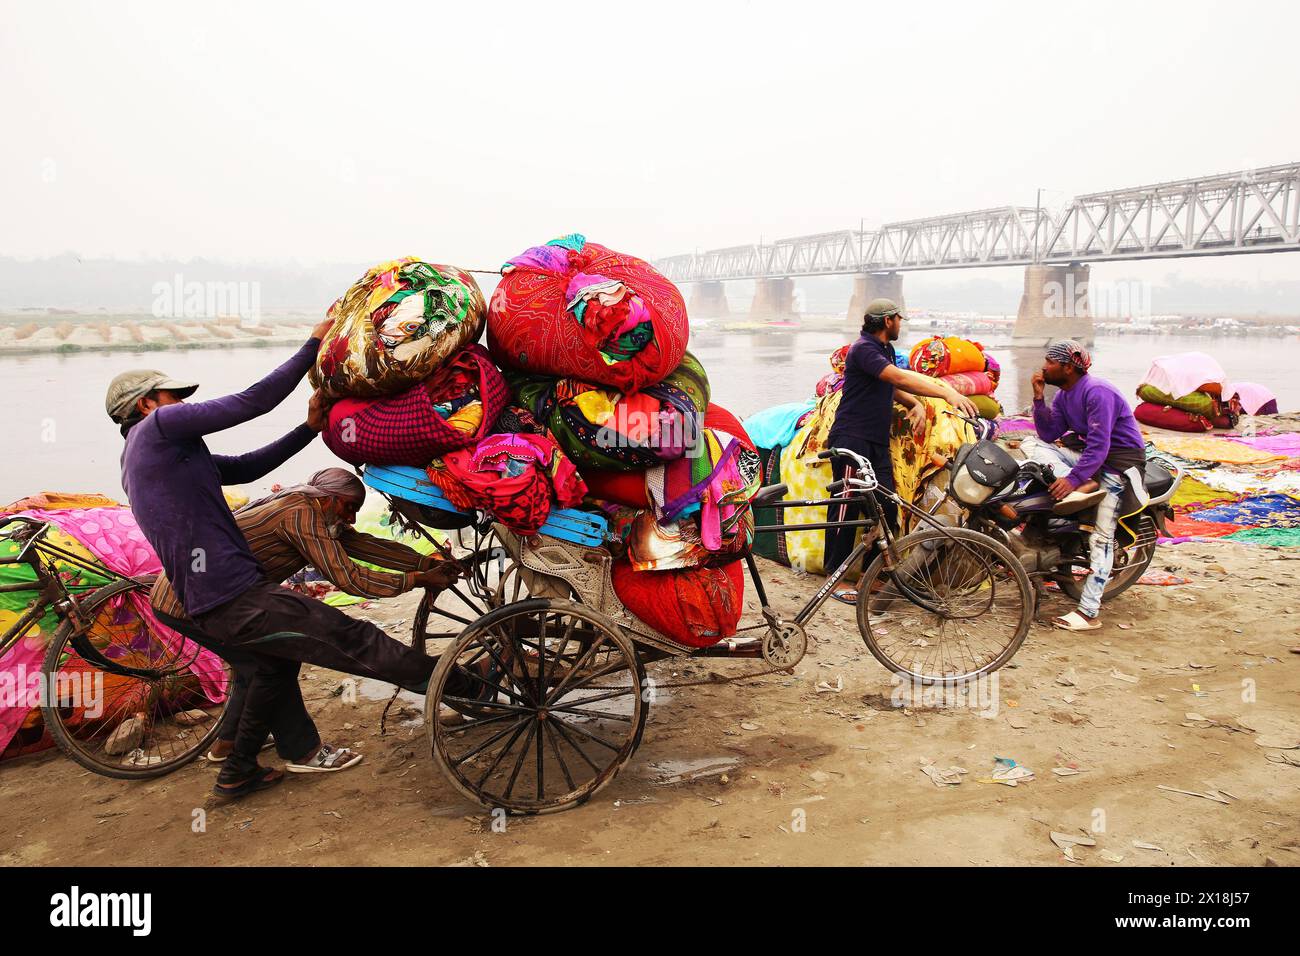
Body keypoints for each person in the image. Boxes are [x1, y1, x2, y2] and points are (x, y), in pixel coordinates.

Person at [105, 320, 424, 798]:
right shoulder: (159, 428)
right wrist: (313, 344)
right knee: (352, 636)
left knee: (271, 667)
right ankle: (461, 683)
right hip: (231, 591)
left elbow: (250, 467)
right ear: (146, 405)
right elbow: (252, 402)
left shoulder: (152, 456)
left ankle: (237, 770)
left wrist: (308, 429)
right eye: (174, 396)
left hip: (206, 597)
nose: (184, 404)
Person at [149, 467, 462, 773]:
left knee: (256, 668)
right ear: (329, 499)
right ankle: (300, 752)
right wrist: (417, 579)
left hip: (189, 597)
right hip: (194, 601)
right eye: (349, 508)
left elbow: (364, 545)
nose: (351, 518)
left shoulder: (312, 507)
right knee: (273, 666)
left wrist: (424, 561)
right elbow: (349, 579)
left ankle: (228, 746)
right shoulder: (300, 513)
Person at [824, 298, 979, 603]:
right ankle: (835, 577)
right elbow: (897, 377)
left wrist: (914, 403)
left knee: (885, 506)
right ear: (888, 321)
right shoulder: (864, 348)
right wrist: (946, 391)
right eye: (898, 320)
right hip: (852, 438)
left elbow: (888, 385)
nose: (900, 325)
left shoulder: (884, 350)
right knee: (846, 507)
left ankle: (872, 578)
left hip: (876, 443)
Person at [1022, 339, 1147, 632]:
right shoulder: (1066, 395)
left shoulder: (1097, 392)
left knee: (1101, 538)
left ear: (1068, 367)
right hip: (1090, 458)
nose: (1044, 367)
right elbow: (1050, 432)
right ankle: (1080, 485)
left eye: (1050, 362)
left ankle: (1089, 612)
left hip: (1118, 462)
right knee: (1031, 444)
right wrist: (1039, 398)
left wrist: (1073, 479)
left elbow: (1101, 446)